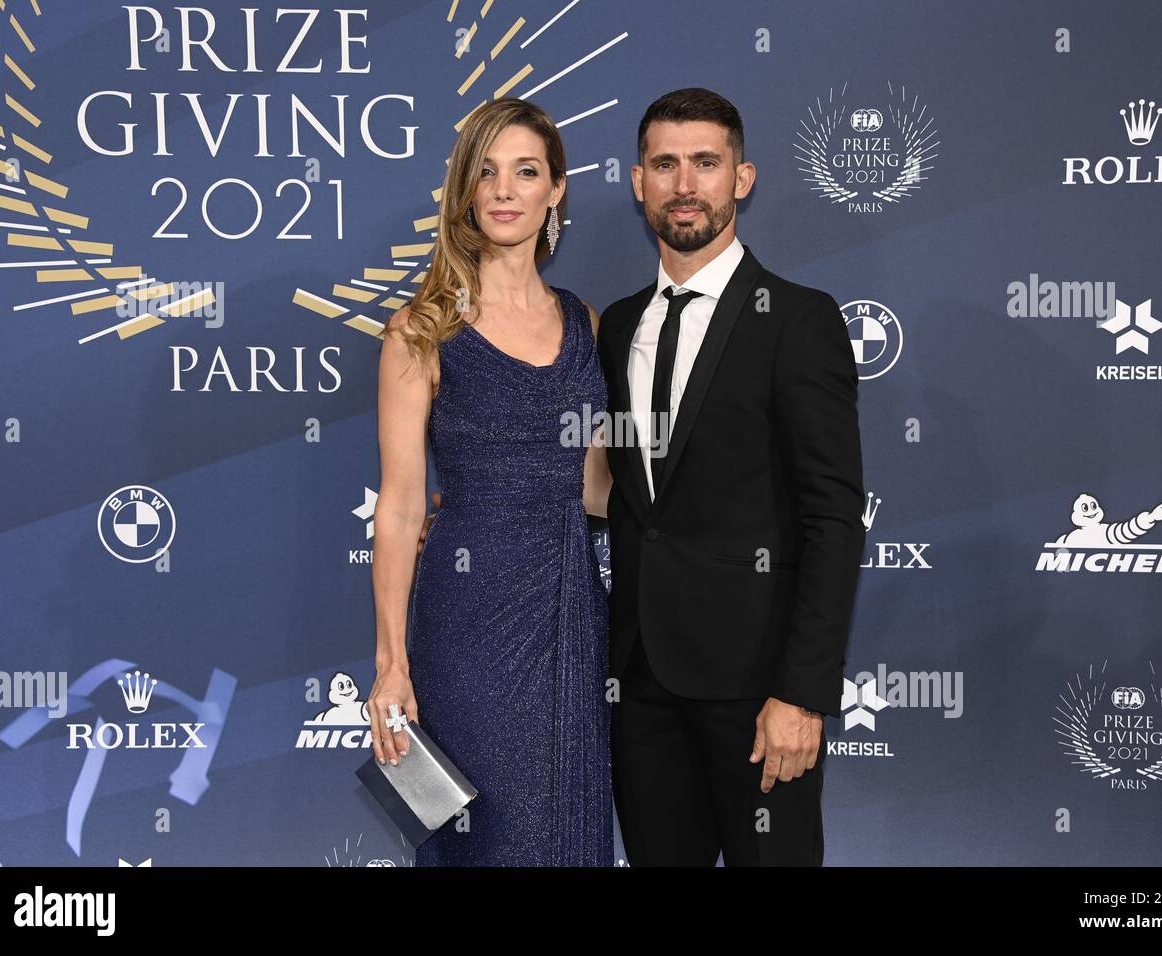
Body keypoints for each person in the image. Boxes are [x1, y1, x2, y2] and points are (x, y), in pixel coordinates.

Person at [596, 88, 867, 866]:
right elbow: (621, 487)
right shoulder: (617, 325)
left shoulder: (797, 320)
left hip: (760, 695)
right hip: (641, 685)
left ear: (741, 178)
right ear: (639, 181)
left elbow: (833, 519)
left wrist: (804, 693)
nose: (685, 184)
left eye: (705, 163)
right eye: (666, 164)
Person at [367, 98, 614, 866]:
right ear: (467, 194)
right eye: (487, 173)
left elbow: (599, 489)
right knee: (491, 837)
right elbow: (404, 505)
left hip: (573, 608)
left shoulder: (589, 324)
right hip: (468, 620)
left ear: (557, 189)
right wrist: (390, 664)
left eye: (526, 171)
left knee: (566, 830)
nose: (505, 190)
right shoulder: (422, 329)